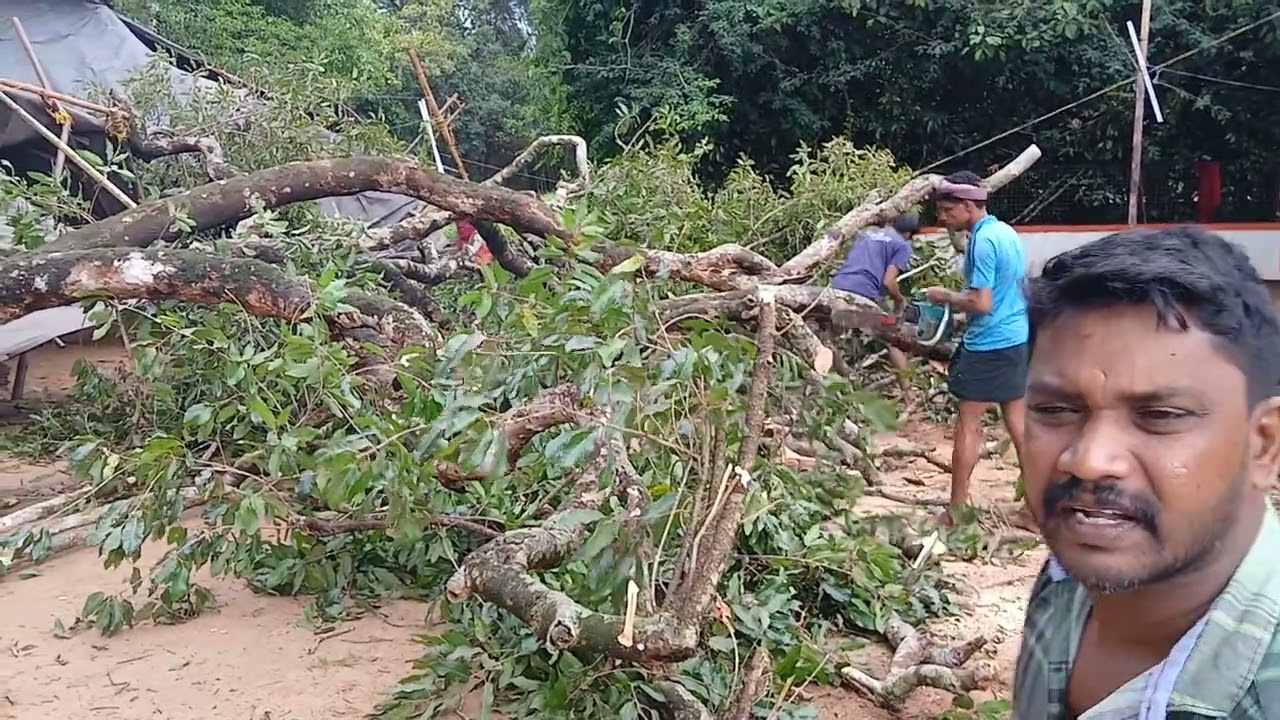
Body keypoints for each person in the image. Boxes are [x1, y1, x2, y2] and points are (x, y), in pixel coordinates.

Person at [1013, 227, 1280, 719]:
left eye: (1160, 417)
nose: (1090, 461)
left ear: (1263, 445)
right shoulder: (1066, 581)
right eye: (1055, 409)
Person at [923, 171, 1035, 529]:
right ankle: (1035, 511)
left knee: (968, 426)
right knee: (1018, 425)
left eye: (946, 210)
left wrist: (946, 297)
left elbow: (982, 303)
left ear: (968, 206)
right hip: (1016, 337)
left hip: (988, 343)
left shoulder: (982, 242)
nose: (942, 218)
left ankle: (956, 511)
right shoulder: (1006, 233)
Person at [830, 214, 921, 384]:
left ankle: (839, 382)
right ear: (909, 234)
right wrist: (899, 300)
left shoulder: (867, 234)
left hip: (837, 287)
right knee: (892, 338)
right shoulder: (902, 246)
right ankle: (909, 393)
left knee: (830, 337)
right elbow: (889, 281)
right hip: (862, 294)